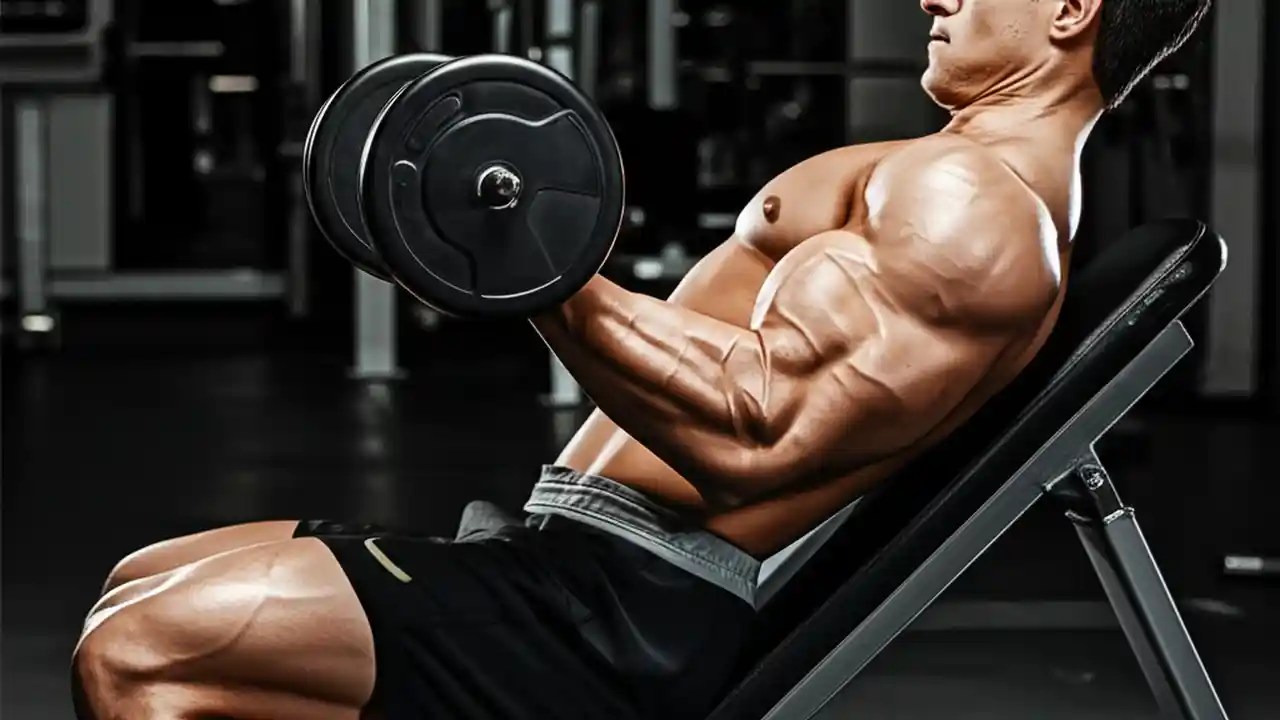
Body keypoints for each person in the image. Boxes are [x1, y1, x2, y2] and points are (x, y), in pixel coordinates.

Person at [72, 1, 1211, 718]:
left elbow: (756, 435)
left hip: (614, 622)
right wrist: (522, 261)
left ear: (1071, 8)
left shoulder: (973, 209)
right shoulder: (951, 177)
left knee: (149, 654)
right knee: (144, 578)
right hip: (566, 556)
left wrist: (539, 262)